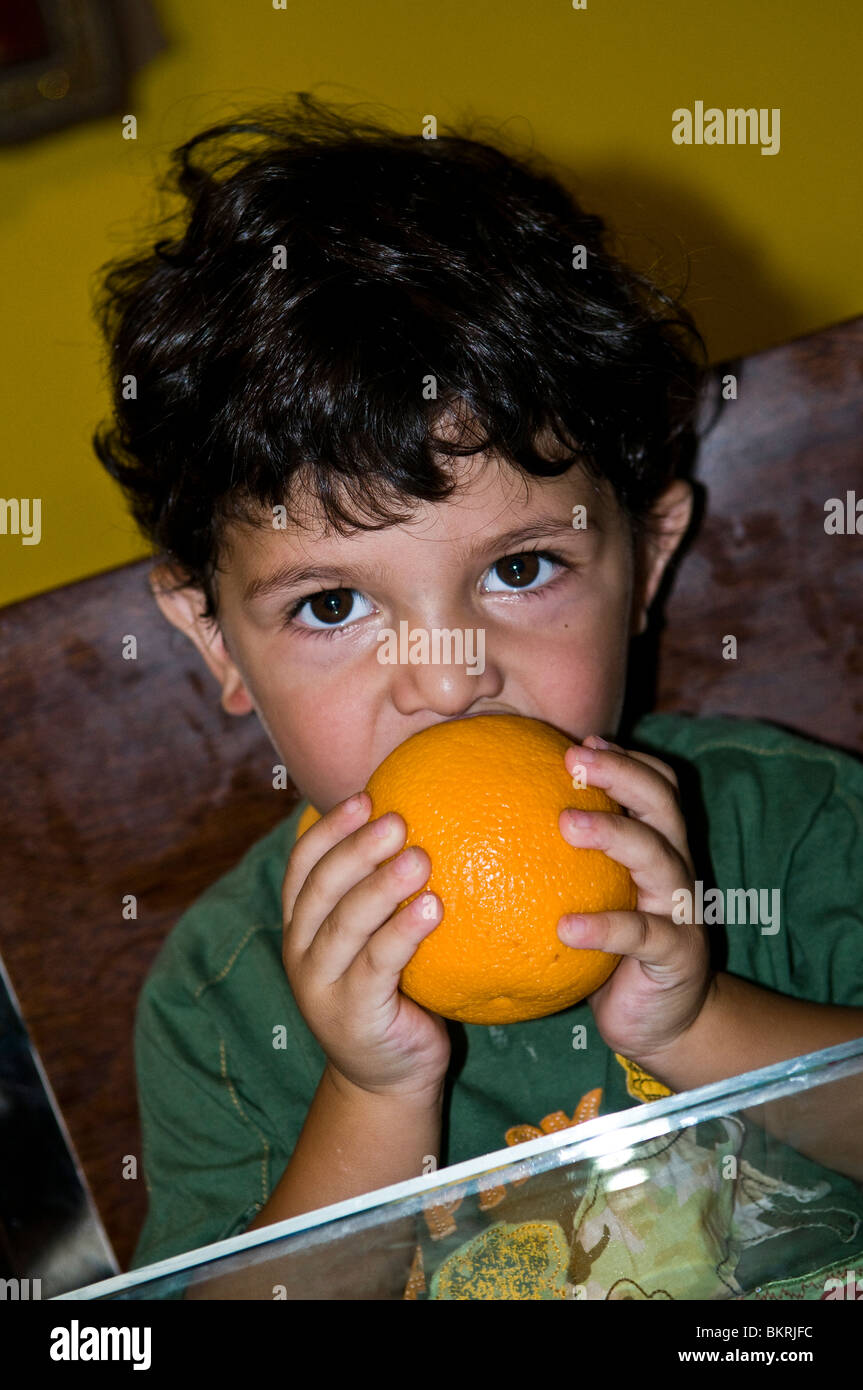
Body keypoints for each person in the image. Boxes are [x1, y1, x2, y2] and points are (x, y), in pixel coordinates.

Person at [92, 93, 863, 1300]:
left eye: (518, 569)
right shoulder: (226, 995)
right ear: (215, 640)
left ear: (646, 561)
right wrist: (370, 1091)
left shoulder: (788, 823)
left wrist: (697, 1021)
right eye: (332, 605)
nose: (449, 674)